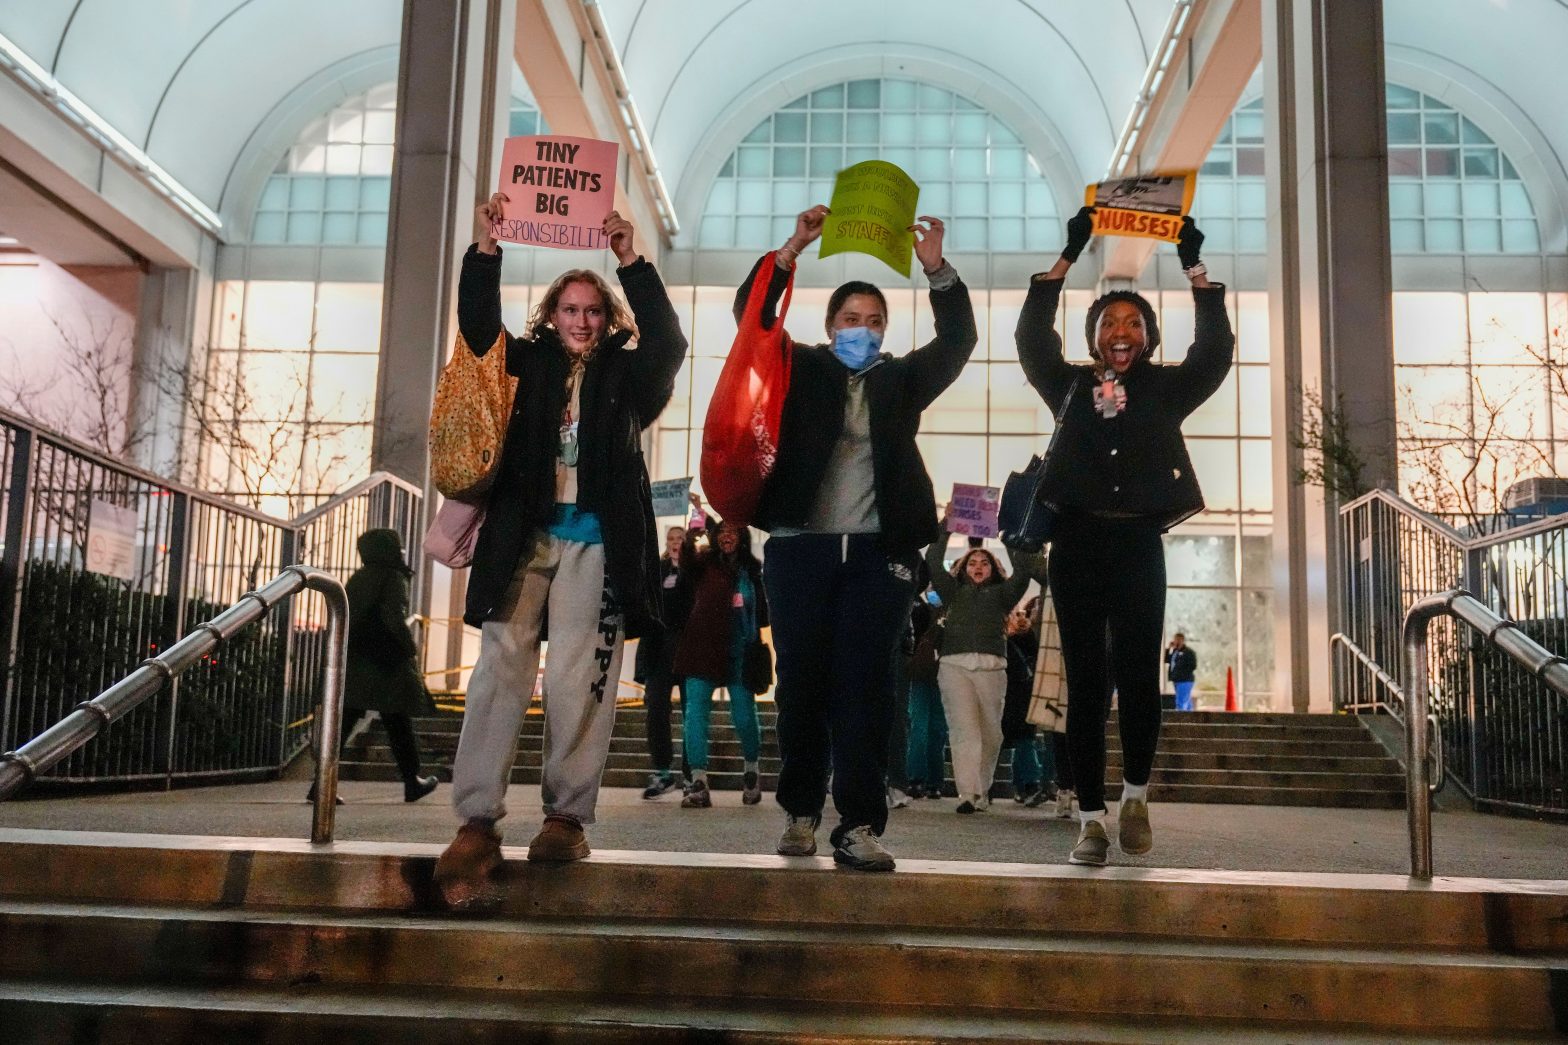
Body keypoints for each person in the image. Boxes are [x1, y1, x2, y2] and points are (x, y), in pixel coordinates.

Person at [433, 195, 688, 911]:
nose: (581, 321)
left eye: (593, 310)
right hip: (526, 536)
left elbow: (669, 343)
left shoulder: (630, 376)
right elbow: (479, 330)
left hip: (599, 544)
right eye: (570, 309)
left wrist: (630, 260)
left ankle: (566, 817)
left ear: (608, 318)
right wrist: (486, 249)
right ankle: (476, 820)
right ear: (552, 314)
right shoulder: (528, 362)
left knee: (581, 681)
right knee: (498, 667)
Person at [729, 204, 977, 871]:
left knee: (867, 689)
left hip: (878, 556)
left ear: (885, 331)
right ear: (830, 325)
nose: (861, 331)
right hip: (799, 549)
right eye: (850, 320)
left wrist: (938, 272)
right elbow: (750, 320)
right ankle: (800, 810)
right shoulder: (799, 366)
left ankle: (860, 823)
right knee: (801, 685)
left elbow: (956, 345)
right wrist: (788, 253)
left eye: (873, 322)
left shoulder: (900, 381)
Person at [1016, 205, 1232, 866]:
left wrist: (1196, 271)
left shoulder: (1166, 390)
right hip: (1076, 545)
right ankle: (1089, 817)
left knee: (1139, 676)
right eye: (1109, 323)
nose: (1120, 331)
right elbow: (1032, 341)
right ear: (1094, 338)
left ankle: (1135, 795)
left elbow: (1215, 355)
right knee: (1084, 683)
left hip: (1139, 545)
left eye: (1133, 323)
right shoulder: (1072, 387)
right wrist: (1065, 258)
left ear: (1147, 338)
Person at [313, 528, 438, 805]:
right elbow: (394, 616)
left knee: (344, 721)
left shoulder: (359, 578)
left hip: (356, 659)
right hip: (385, 662)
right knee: (397, 721)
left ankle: (320, 782)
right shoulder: (392, 576)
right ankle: (411, 781)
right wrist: (409, 647)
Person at [924, 531, 1042, 814]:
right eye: (972, 562)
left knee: (991, 732)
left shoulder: (1003, 594)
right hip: (955, 666)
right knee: (964, 730)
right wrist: (947, 526)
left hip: (992, 667)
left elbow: (1023, 570)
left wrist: (1006, 537)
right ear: (964, 568)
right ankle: (968, 793)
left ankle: (981, 788)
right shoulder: (952, 592)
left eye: (984, 563)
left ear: (994, 568)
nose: (978, 567)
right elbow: (931, 557)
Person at [671, 514, 769, 808]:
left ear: (742, 537)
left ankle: (751, 768)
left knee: (744, 715)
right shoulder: (703, 563)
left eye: (733, 532)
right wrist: (694, 528)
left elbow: (762, 613)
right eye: (722, 531)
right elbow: (686, 559)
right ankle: (698, 780)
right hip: (702, 648)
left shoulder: (752, 570)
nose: (727, 536)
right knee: (695, 715)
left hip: (741, 651)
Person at [636, 522, 691, 798]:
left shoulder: (693, 569)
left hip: (687, 649)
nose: (674, 542)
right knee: (656, 708)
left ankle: (692, 774)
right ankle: (662, 770)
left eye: (679, 538)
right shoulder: (656, 570)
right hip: (658, 650)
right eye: (671, 538)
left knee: (691, 713)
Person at [904, 586, 948, 800]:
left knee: (933, 729)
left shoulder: (924, 607)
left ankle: (928, 780)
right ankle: (921, 779)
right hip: (925, 674)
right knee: (923, 727)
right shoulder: (920, 609)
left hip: (935, 675)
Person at [1167, 632, 1197, 711]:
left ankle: (1180, 720)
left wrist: (1182, 670)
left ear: (1182, 640)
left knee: (1180, 702)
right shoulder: (1175, 651)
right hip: (1176, 680)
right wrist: (1169, 649)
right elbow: (1167, 660)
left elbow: (1193, 666)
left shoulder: (1189, 652)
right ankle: (1191, 718)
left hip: (1185, 680)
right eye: (1175, 639)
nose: (1175, 642)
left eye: (1177, 640)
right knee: (1187, 702)